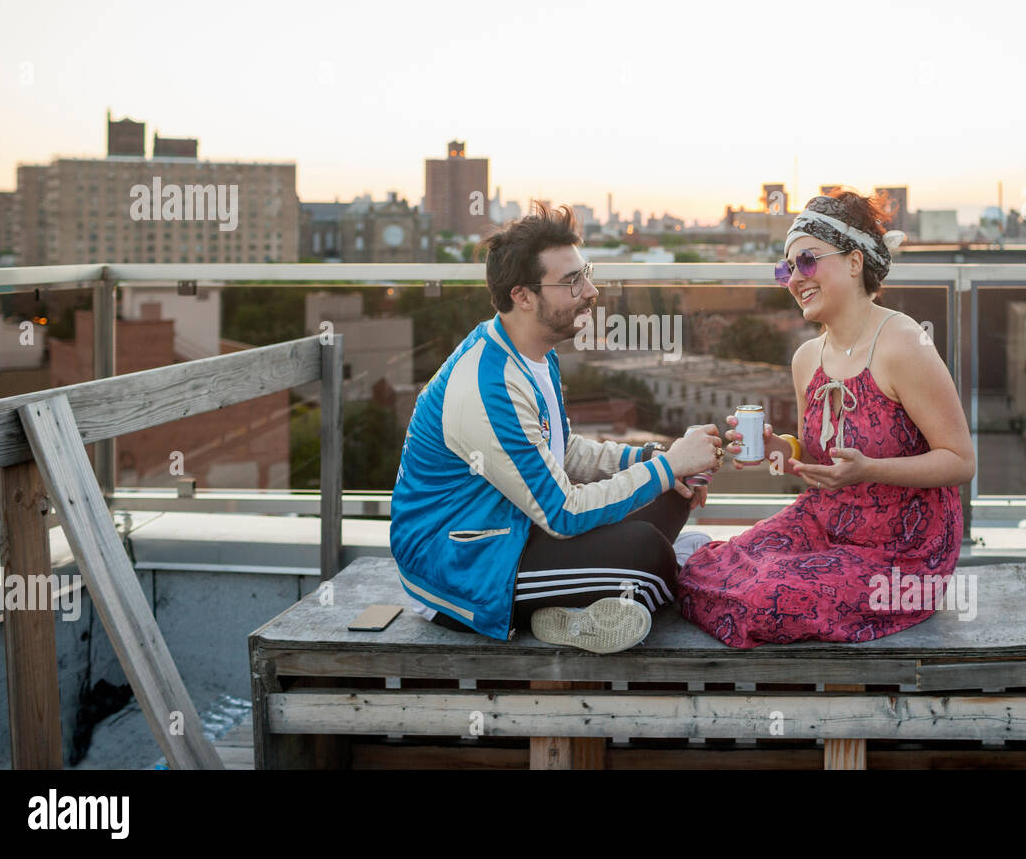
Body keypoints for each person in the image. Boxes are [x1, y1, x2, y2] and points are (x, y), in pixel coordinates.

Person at [390, 203, 722, 654]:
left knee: (670, 491)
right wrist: (666, 466)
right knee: (648, 552)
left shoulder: (534, 353)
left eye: (584, 273)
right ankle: (636, 583)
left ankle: (581, 609)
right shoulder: (489, 387)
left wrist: (659, 461)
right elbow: (564, 513)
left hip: (516, 526)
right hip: (463, 565)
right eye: (571, 282)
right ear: (522, 295)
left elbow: (564, 452)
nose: (591, 291)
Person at [677, 188, 974, 648]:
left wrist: (871, 470)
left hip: (904, 552)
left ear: (855, 262)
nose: (795, 278)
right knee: (703, 570)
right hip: (826, 522)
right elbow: (818, 459)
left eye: (808, 262)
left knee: (768, 597)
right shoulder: (806, 358)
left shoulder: (902, 342)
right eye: (786, 268)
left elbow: (959, 460)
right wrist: (781, 451)